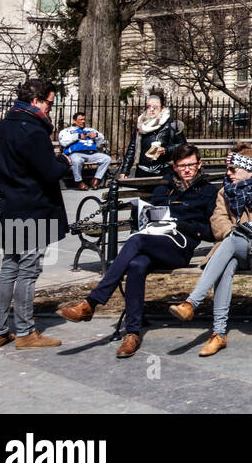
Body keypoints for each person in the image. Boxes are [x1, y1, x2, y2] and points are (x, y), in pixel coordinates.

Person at [58, 142, 218, 357]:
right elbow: (148, 215)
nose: (187, 170)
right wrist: (140, 214)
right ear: (174, 167)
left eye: (191, 165)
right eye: (181, 166)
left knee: (136, 242)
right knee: (136, 264)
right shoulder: (164, 188)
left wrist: (185, 225)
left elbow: (211, 231)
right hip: (155, 239)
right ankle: (132, 333)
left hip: (180, 247)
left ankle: (92, 302)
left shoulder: (208, 192)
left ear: (199, 165)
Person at [169, 142, 252, 356]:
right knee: (227, 260)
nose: (228, 173)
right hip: (235, 249)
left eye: (232, 169)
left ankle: (192, 302)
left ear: (248, 169)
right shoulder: (225, 192)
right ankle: (218, 334)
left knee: (227, 250)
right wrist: (233, 233)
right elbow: (217, 221)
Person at [0, 78, 71, 349]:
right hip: (34, 208)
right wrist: (64, 160)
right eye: (49, 103)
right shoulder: (33, 131)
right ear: (35, 101)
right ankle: (25, 332)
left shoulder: (0, 130)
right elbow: (50, 172)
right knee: (28, 271)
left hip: (10, 205)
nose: (50, 109)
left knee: (8, 269)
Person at [119, 90, 186, 181]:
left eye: (155, 107)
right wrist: (125, 170)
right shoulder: (140, 124)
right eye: (149, 106)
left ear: (162, 108)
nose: (151, 109)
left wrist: (166, 150)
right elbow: (132, 147)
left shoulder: (173, 124)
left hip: (165, 171)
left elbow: (183, 146)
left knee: (162, 194)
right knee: (144, 195)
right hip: (143, 171)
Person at [58, 111, 110, 191]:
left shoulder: (90, 130)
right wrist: (77, 136)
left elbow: (101, 140)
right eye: (80, 120)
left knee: (106, 159)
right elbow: (63, 141)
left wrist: (96, 135)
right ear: (74, 121)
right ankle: (79, 181)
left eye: (84, 119)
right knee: (77, 161)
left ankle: (96, 180)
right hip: (76, 154)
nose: (83, 121)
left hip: (91, 153)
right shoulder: (67, 131)